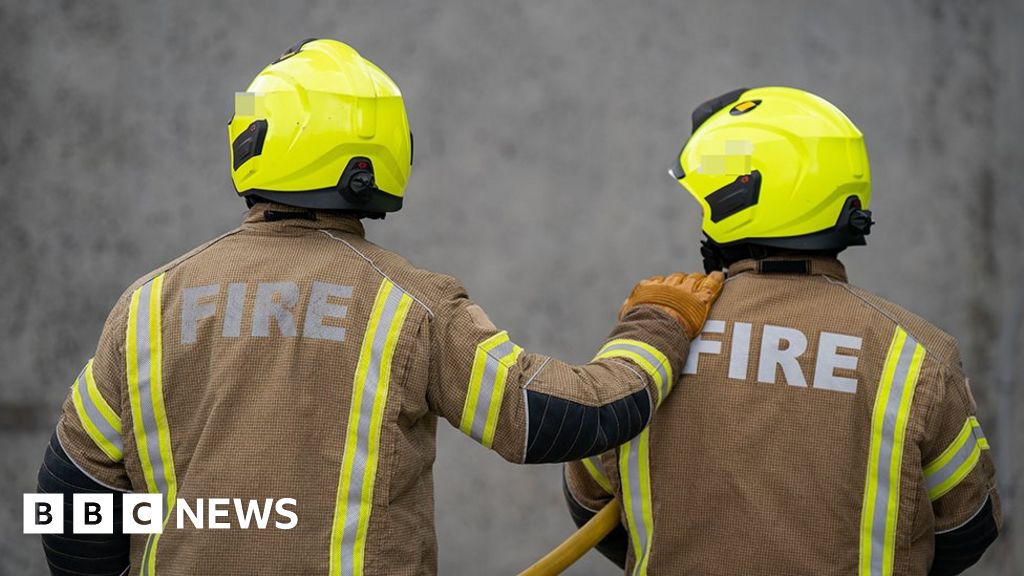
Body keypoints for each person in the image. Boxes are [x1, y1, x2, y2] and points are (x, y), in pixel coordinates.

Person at [36, 38, 723, 576]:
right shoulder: (410, 305)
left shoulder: (149, 305)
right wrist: (658, 324)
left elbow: (70, 496)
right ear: (384, 154)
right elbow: (556, 417)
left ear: (252, 141)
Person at [563, 86, 1001, 576]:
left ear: (737, 199)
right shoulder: (916, 354)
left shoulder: (655, 338)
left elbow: (590, 502)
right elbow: (967, 528)